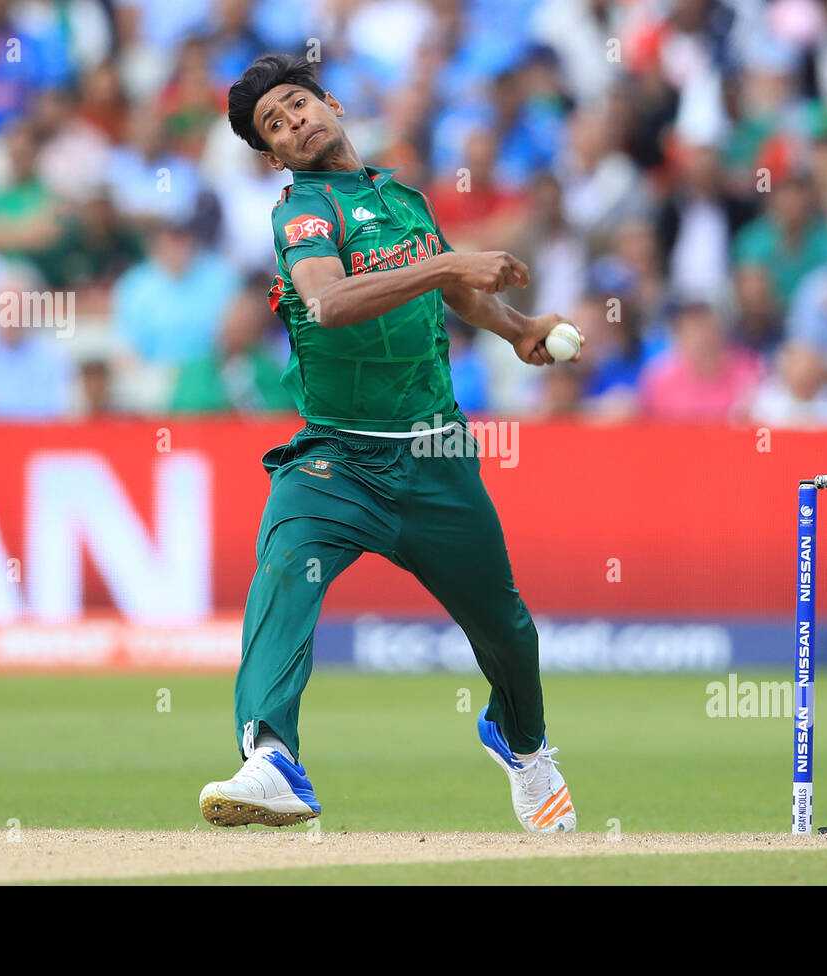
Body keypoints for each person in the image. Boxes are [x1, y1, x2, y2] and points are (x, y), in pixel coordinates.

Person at [198, 54, 583, 834]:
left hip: (437, 459)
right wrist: (447, 258)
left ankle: (523, 742)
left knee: (505, 627)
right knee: (281, 579)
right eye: (275, 125)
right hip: (337, 461)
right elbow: (330, 302)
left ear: (331, 104)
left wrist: (517, 332)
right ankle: (270, 758)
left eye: (298, 104)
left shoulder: (400, 197)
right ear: (272, 157)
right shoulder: (302, 213)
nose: (294, 122)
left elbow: (450, 289)